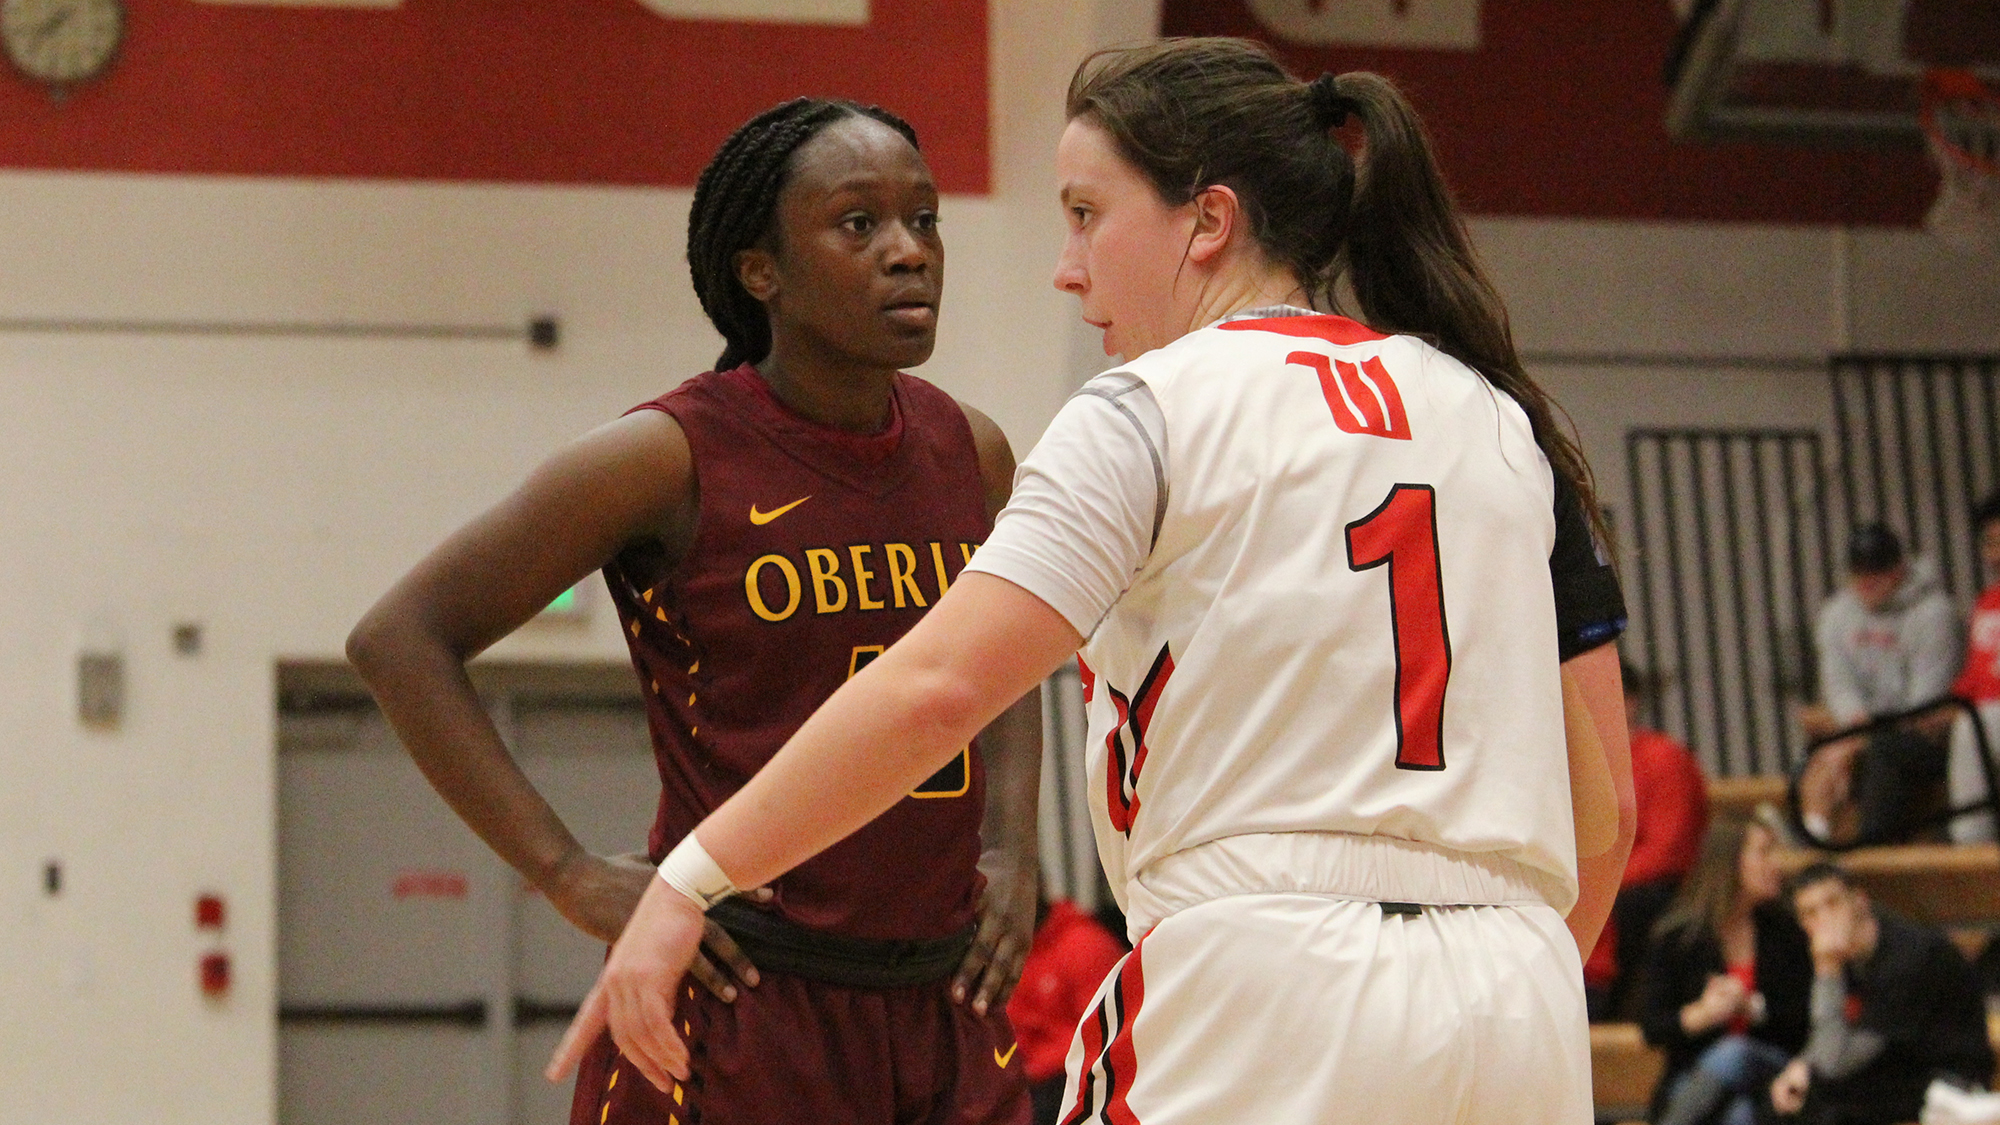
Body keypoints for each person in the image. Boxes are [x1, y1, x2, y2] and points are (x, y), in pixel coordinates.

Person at [548, 38, 1636, 1124]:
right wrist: (1490, 988)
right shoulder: (1493, 419)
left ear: (1207, 221)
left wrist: (690, 879)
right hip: (1516, 995)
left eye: (1084, 214)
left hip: (1265, 983)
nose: (1065, 267)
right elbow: (1603, 812)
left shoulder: (1149, 409)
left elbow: (937, 691)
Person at [347, 97, 1041, 1125]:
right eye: (859, 224)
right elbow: (400, 640)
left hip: (942, 998)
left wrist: (1012, 847)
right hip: (748, 997)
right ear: (761, 271)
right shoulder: (667, 457)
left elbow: (1010, 656)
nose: (909, 252)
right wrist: (566, 873)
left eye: (924, 220)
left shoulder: (969, 449)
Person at [1769, 863, 1994, 1125]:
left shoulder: (1907, 957)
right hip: (1893, 1066)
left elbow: (1833, 1062)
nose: (1825, 919)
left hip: (1948, 1081)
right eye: (1811, 913)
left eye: (1832, 903)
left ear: (1859, 901)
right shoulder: (1839, 954)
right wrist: (1801, 1065)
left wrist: (1827, 970)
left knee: (1820, 1098)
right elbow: (1830, 1041)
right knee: (1783, 1096)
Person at [1638, 817, 1812, 1125]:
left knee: (1735, 1052)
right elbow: (1652, 1027)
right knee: (1738, 1114)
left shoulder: (1785, 931)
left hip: (1772, 1069)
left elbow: (1802, 1019)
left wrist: (1751, 1007)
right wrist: (1706, 1013)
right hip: (1698, 1073)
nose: (1776, 864)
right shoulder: (1679, 938)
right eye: (1764, 852)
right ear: (1730, 862)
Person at [1798, 523, 1962, 844]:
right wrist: (1854, 723)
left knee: (1870, 753)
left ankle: (1862, 846)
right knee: (1828, 754)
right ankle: (1814, 835)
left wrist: (1862, 733)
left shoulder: (1934, 614)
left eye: (1878, 569)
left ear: (1900, 567)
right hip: (1862, 733)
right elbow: (1839, 686)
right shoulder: (1836, 616)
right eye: (1860, 571)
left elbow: (1926, 702)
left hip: (1925, 739)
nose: (1868, 580)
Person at [1588, 662, 1710, 1019]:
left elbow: (1667, 851)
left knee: (1634, 904)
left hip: (1649, 891)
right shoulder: (1576, 766)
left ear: (1629, 702)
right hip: (1606, 888)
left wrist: (1595, 885)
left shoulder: (1664, 757)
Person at [1005, 891, 1128, 1123]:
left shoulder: (1085, 945)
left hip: (1070, 1084)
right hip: (1027, 1084)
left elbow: (1111, 1038)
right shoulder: (1004, 952)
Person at [1948, 491, 2000, 842]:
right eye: (1991, 544)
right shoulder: (1986, 603)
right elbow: (1973, 678)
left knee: (1974, 725)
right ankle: (1971, 850)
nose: (1997, 554)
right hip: (1984, 721)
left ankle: (1972, 846)